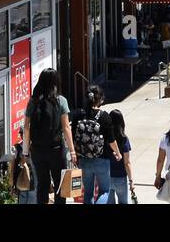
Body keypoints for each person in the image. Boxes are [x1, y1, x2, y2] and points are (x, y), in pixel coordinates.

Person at [22, 68, 77, 204]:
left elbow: (27, 128)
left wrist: (25, 151)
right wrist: (72, 150)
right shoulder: (60, 101)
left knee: (42, 184)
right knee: (60, 185)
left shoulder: (32, 102)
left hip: (37, 150)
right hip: (56, 150)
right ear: (55, 82)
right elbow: (66, 127)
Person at [73, 85, 119, 203]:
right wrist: (118, 153)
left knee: (88, 192)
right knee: (104, 191)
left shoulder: (78, 115)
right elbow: (111, 140)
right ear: (100, 99)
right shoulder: (104, 116)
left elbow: (74, 137)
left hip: (83, 159)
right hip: (101, 159)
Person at [106, 109, 134, 204]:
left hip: (106, 177)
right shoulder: (124, 139)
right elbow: (127, 163)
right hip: (120, 177)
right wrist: (131, 181)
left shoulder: (105, 138)